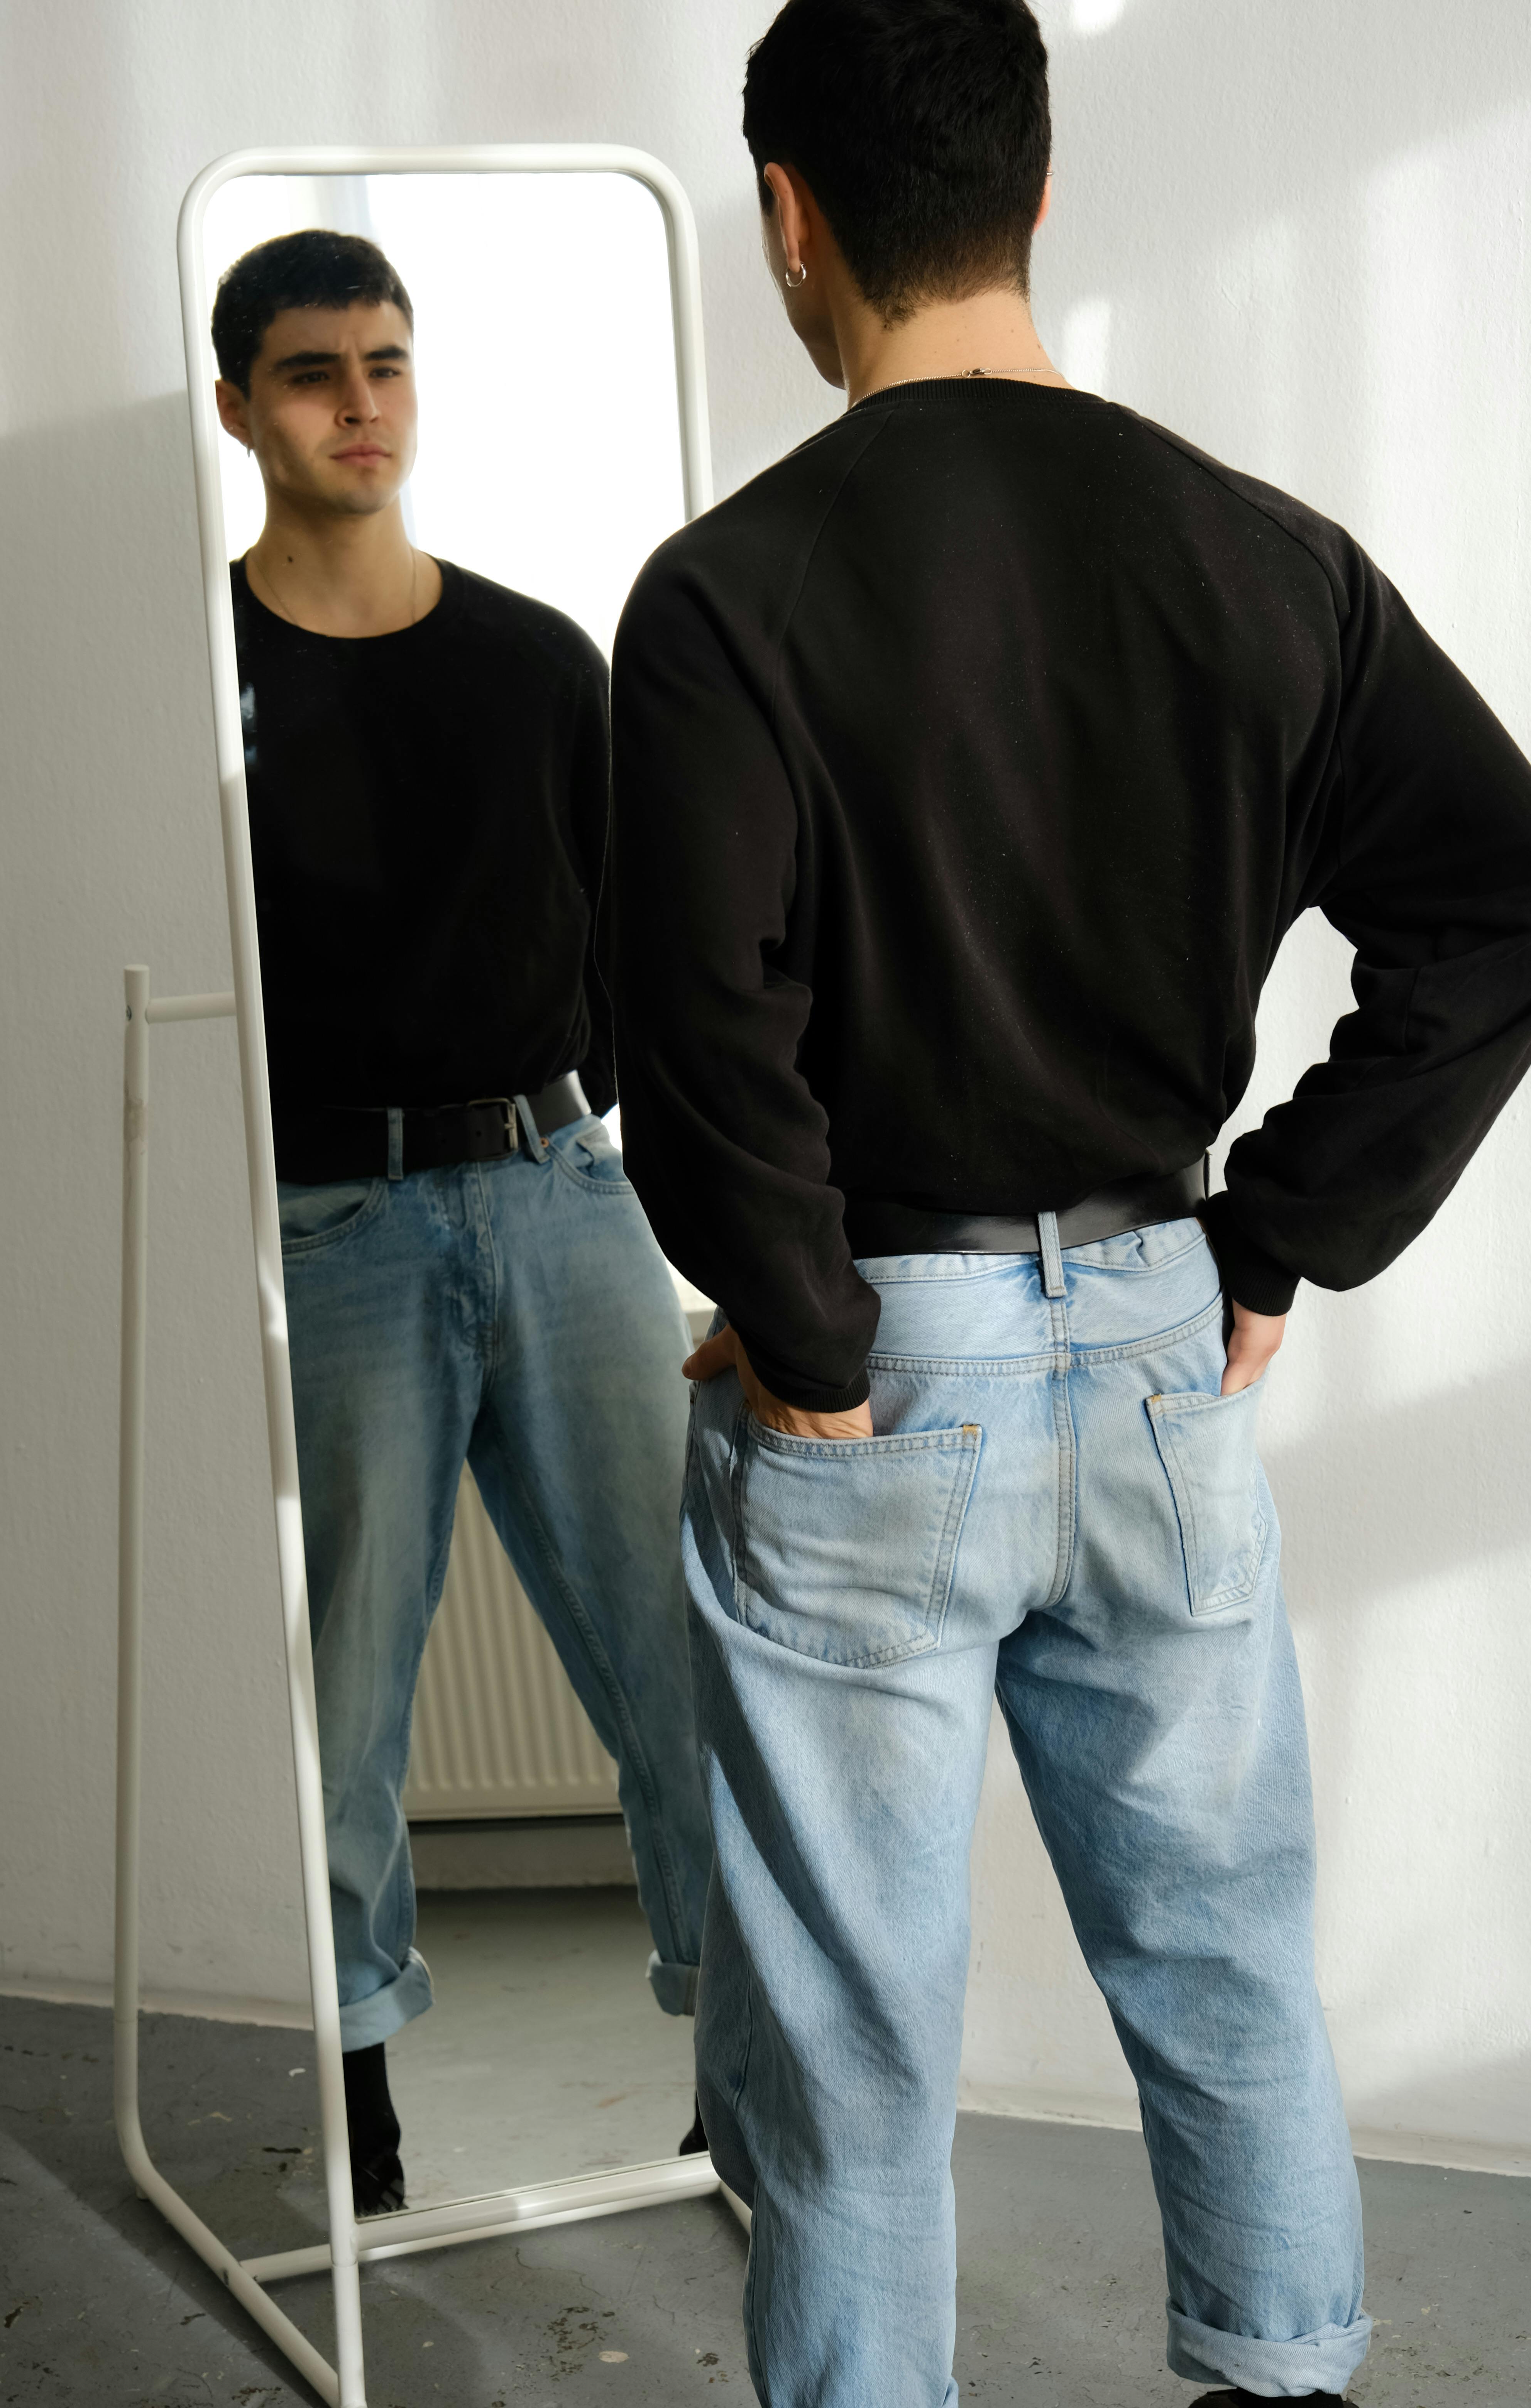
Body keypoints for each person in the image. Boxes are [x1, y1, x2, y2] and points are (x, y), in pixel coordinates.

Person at [604, 3, 1531, 2401]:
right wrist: (1264, 1236)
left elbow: (703, 1047)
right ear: (1038, 191)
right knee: (1227, 1978)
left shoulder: (729, 595)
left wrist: (807, 1326)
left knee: (854, 2062)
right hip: (1151, 1364)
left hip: (870, 1396)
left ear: (788, 222)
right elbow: (1503, 899)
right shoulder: (1261, 555)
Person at [210, 228, 713, 2211]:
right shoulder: (204, 673)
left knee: (683, 1656)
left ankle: (741, 2073)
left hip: (556, 1191)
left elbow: (642, 969)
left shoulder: (534, 661)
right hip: (330, 1218)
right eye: (318, 369)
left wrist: (693, 1228)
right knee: (344, 1691)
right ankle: (362, 2104)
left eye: (390, 364)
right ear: (240, 400)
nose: (361, 403)